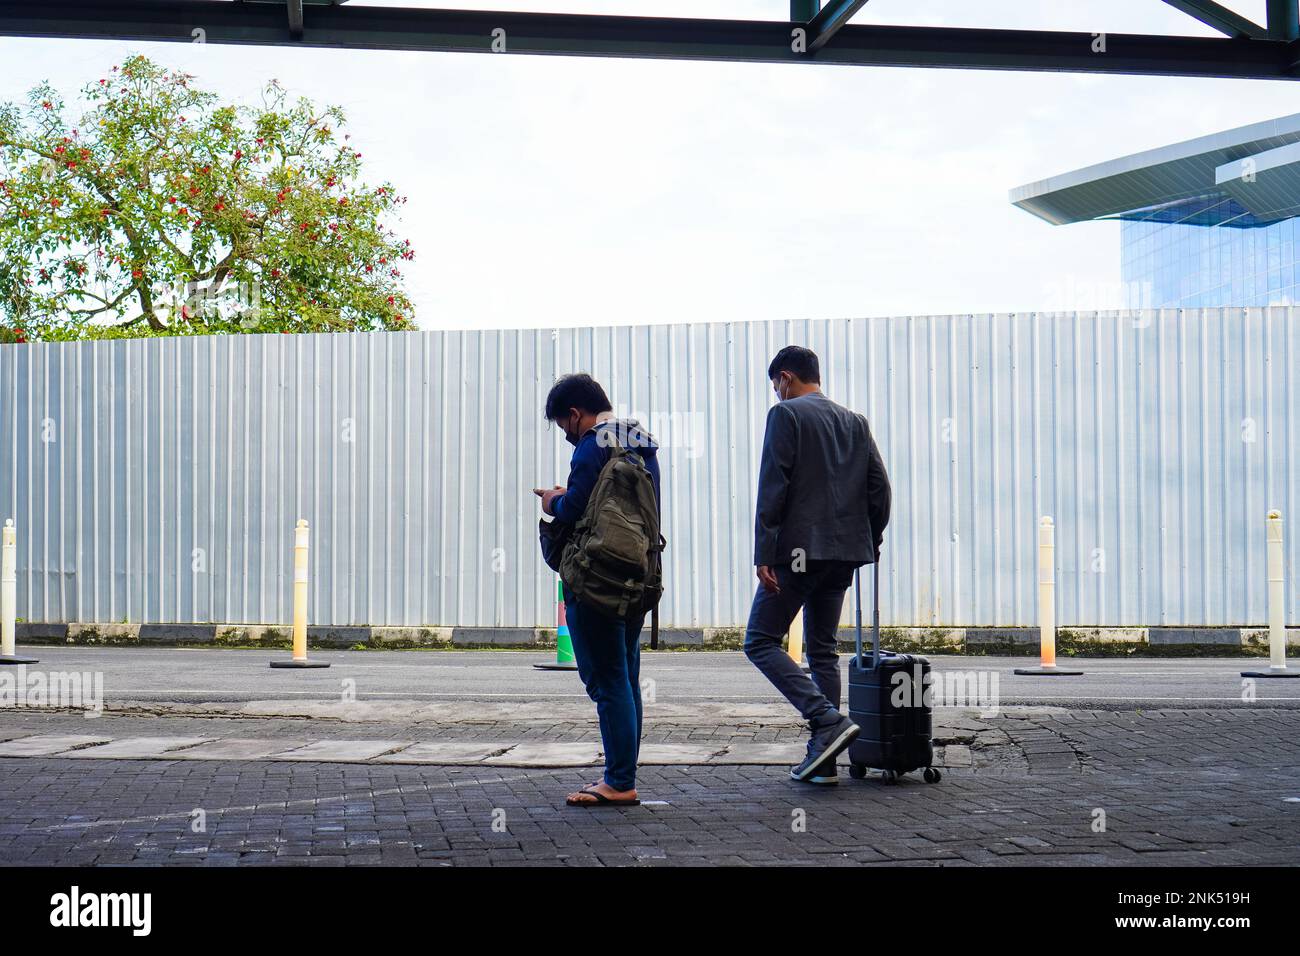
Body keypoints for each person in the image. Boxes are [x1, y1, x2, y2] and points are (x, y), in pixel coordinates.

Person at [745, 345, 891, 785]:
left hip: (797, 553)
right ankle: (823, 761)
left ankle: (825, 719)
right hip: (844, 553)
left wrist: (765, 551)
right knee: (822, 650)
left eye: (775, 386)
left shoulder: (786, 416)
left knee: (760, 640)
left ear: (786, 378)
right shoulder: (855, 422)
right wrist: (869, 539)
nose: (776, 395)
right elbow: (879, 489)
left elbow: (775, 483)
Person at [534, 373, 661, 808]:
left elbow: (574, 509)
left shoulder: (593, 445)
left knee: (607, 682)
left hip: (595, 580)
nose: (566, 436)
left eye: (563, 425)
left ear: (575, 415)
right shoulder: (640, 441)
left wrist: (552, 499)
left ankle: (619, 782)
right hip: (636, 574)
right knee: (625, 678)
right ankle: (622, 773)